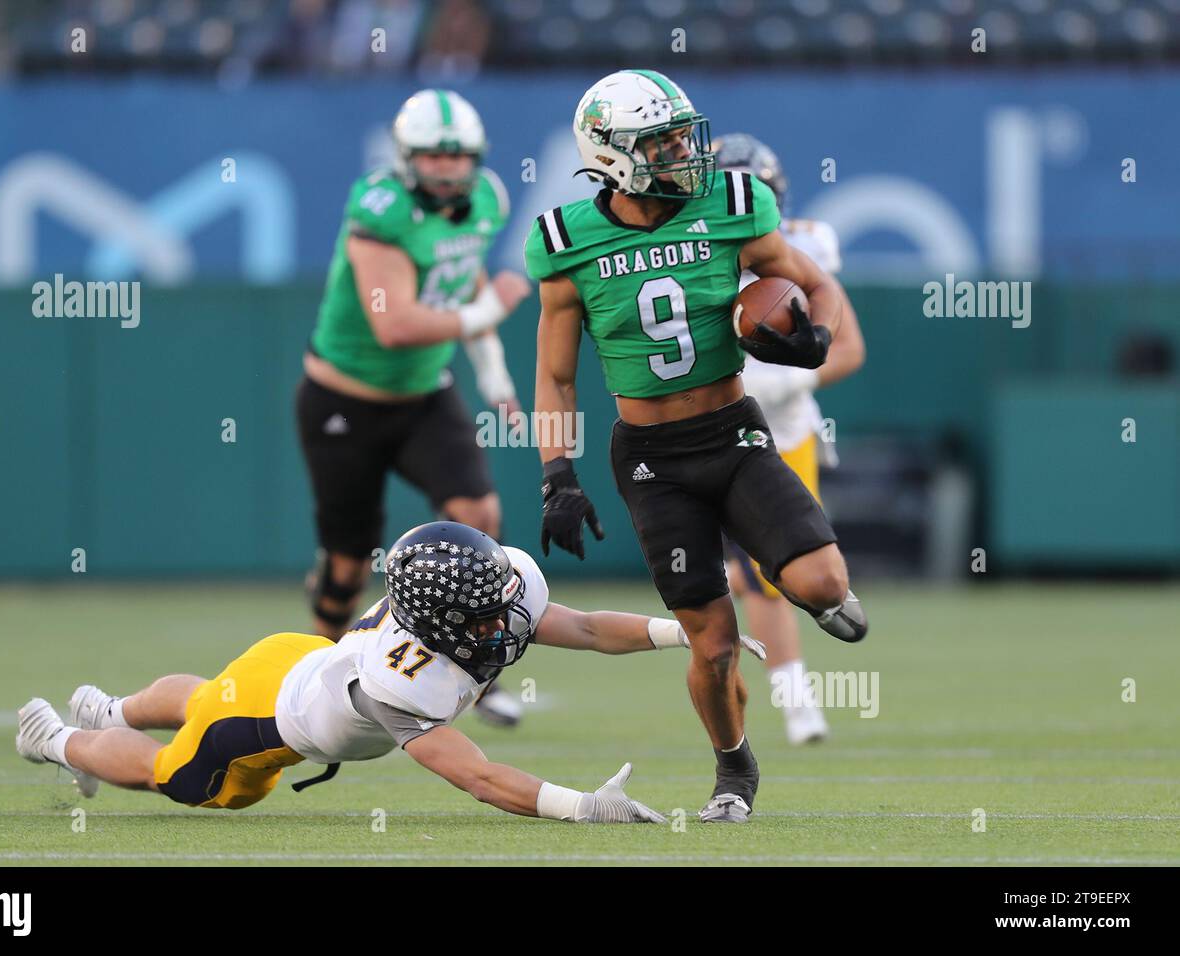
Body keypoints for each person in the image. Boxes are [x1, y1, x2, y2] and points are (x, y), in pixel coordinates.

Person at [528, 70, 868, 823]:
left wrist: (815, 340)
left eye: (683, 133)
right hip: (652, 461)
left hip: (735, 431)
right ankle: (734, 770)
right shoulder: (564, 242)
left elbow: (813, 282)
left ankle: (816, 598)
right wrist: (557, 472)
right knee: (712, 645)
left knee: (819, 583)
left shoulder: (734, 203)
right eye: (663, 141)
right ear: (614, 155)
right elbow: (555, 378)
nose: (685, 150)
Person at [17, 521, 765, 822]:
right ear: (440, 620)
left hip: (292, 664)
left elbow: (590, 627)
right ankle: (54, 738)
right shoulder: (401, 685)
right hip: (266, 724)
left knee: (213, 693)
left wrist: (688, 634)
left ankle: (113, 707)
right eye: (483, 609)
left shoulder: (484, 592)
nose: (506, 612)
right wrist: (582, 807)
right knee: (179, 776)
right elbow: (476, 774)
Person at [296, 88, 528, 725]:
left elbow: (465, 278)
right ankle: (312, 675)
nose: (449, 169)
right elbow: (393, 324)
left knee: (478, 513)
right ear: (406, 158)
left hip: (426, 394)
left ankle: (480, 667)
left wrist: (496, 374)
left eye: (459, 156)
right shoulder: (381, 206)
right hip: (343, 399)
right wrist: (495, 309)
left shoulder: (488, 199)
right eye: (433, 156)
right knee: (346, 566)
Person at [713, 132, 867, 745]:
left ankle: (795, 696)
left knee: (779, 572)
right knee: (748, 578)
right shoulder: (685, 250)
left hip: (783, 432)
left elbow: (850, 347)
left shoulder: (802, 248)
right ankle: (795, 703)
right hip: (709, 424)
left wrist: (787, 385)